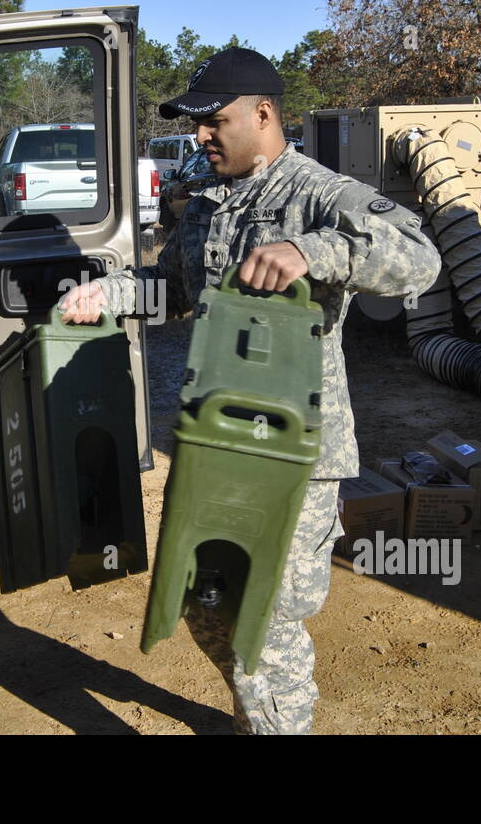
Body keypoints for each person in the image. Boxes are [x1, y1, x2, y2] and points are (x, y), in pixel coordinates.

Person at [59, 47, 442, 733]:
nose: (201, 135)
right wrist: (106, 295)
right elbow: (173, 290)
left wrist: (313, 251)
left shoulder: (318, 193)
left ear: (264, 114)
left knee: (259, 627)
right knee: (209, 608)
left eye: (214, 121)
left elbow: (418, 257)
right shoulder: (207, 203)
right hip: (220, 451)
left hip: (295, 458)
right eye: (195, 124)